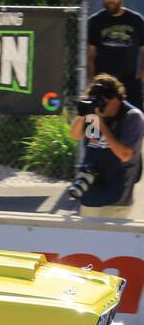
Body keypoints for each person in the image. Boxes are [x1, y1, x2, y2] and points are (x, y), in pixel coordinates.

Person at [69, 73, 144, 218]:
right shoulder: (94, 116)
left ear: (116, 99)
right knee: (85, 239)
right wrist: (83, 114)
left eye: (103, 103)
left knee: (111, 240)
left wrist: (101, 123)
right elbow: (76, 135)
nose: (100, 109)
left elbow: (125, 155)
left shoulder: (132, 117)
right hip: (91, 192)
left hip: (116, 197)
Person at [87, 0, 144, 108]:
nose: (110, 0)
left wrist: (140, 78)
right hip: (103, 82)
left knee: (134, 120)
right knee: (93, 120)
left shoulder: (136, 20)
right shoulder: (95, 21)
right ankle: (97, 128)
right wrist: (92, 80)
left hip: (129, 83)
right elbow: (90, 54)